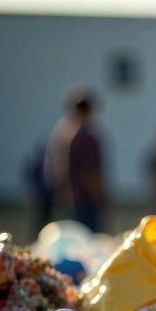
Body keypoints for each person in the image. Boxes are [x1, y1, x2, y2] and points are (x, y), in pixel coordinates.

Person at [45, 88, 108, 232]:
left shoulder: (62, 133)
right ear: (88, 110)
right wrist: (102, 201)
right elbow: (90, 174)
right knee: (89, 247)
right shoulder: (85, 137)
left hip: (66, 199)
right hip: (86, 202)